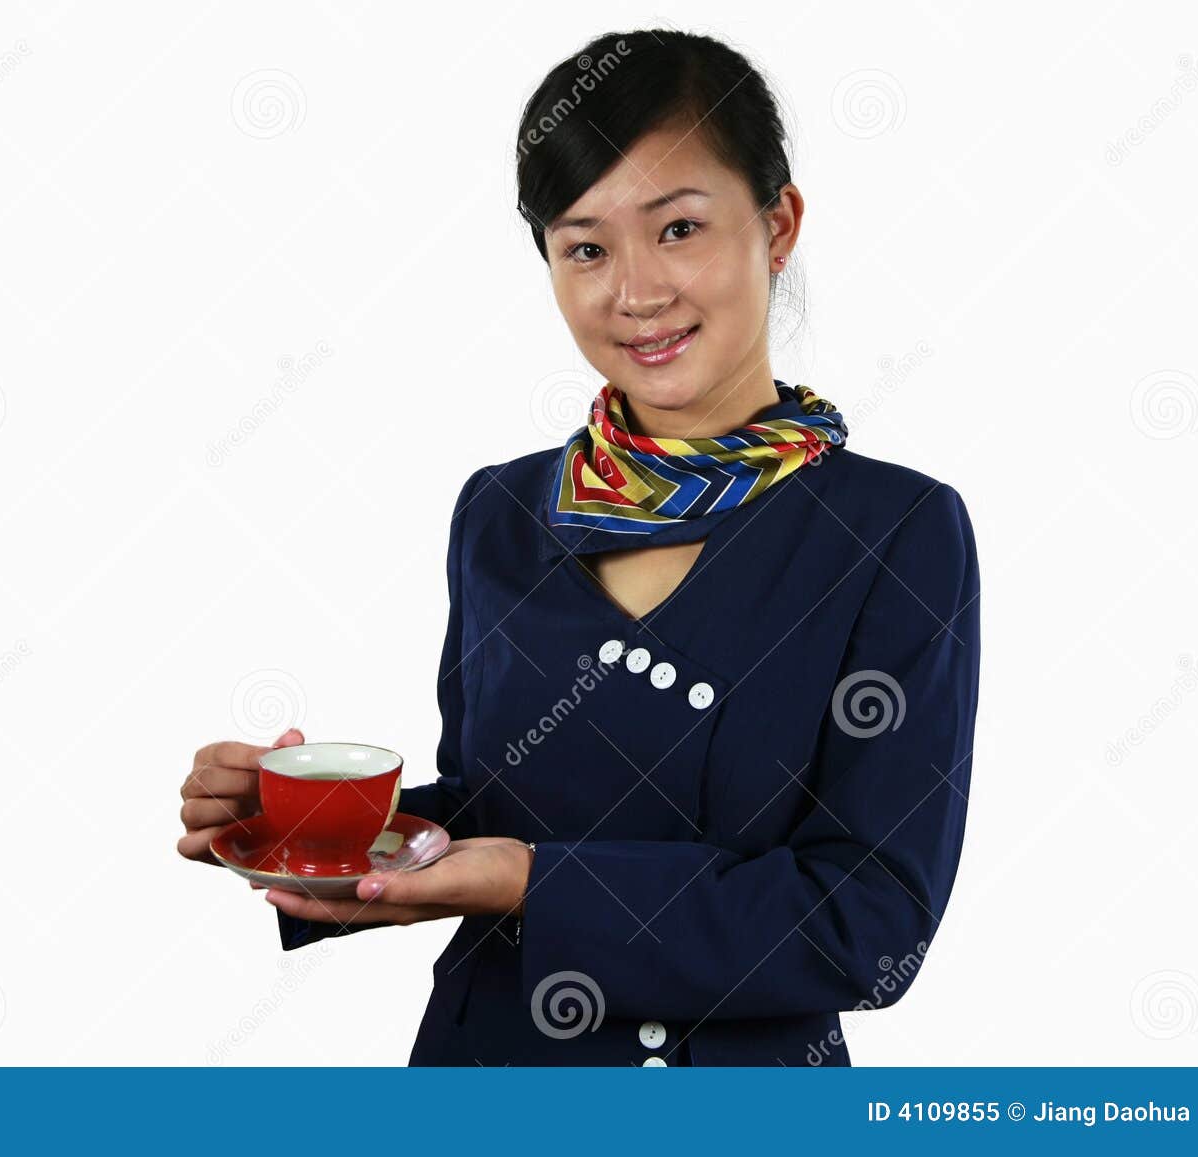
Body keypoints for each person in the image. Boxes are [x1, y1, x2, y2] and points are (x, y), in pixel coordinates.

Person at [178, 28, 980, 1066]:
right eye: (586, 247)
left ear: (777, 224)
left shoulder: (892, 530)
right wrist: (308, 825)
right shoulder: (503, 510)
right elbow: (493, 807)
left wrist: (535, 884)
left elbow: (869, 920)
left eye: (679, 228)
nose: (635, 292)